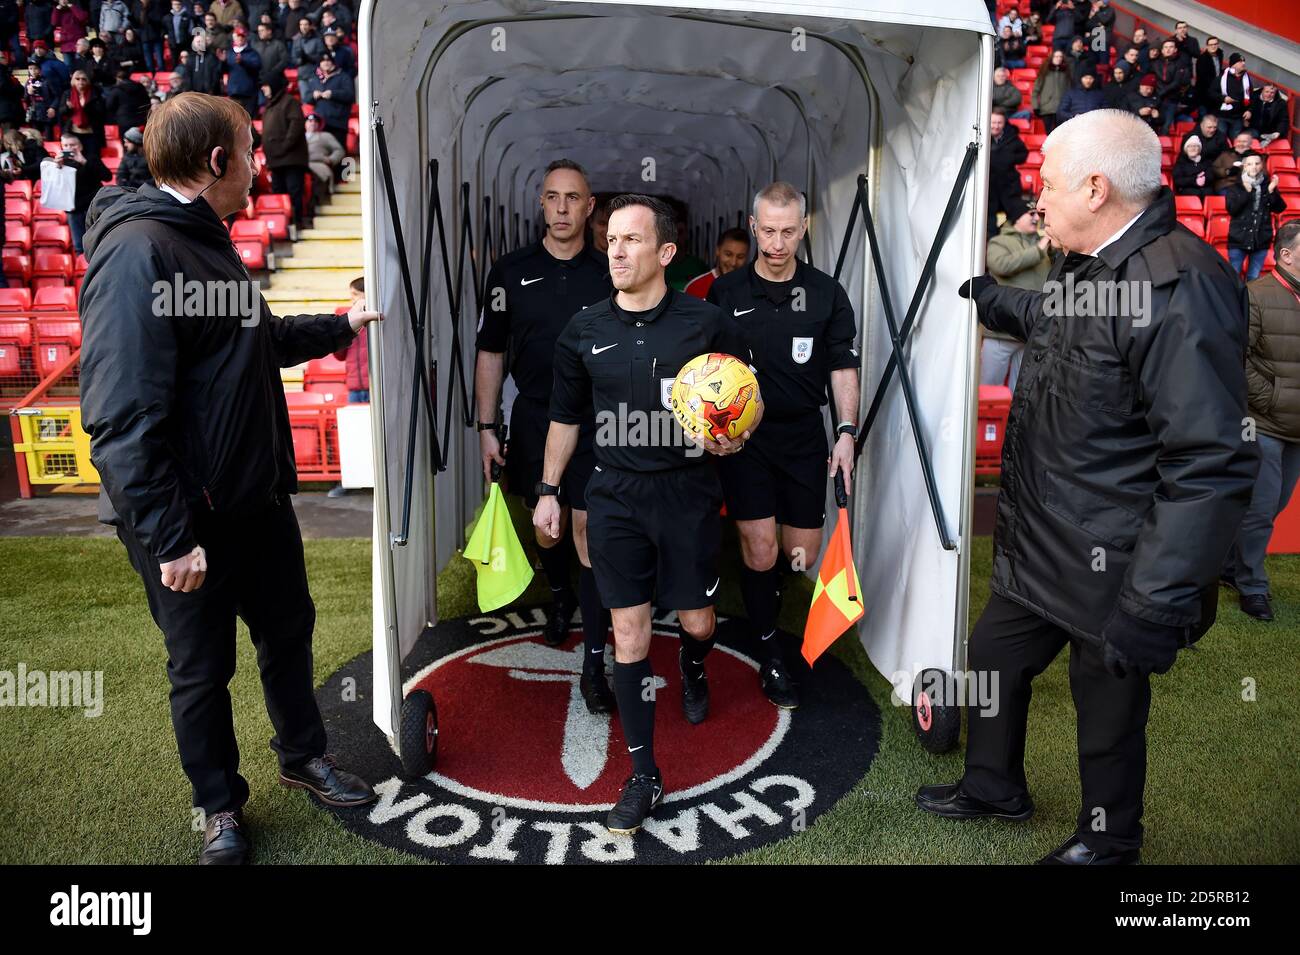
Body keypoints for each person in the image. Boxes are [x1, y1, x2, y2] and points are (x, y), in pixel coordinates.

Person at [922, 108, 1257, 865]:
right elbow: (1052, 319)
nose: (1037, 200)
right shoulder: (1093, 262)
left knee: (1105, 709)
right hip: (1043, 541)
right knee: (994, 660)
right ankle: (993, 785)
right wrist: (983, 295)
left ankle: (1108, 845)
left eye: (1048, 184)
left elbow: (1209, 462)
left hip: (1118, 558)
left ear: (1097, 188)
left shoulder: (1180, 286)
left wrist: (1158, 597)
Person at [79, 92, 383, 866]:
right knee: (201, 667)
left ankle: (302, 755)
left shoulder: (202, 236)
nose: (259, 168)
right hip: (188, 521)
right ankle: (217, 806)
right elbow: (118, 418)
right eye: (250, 153)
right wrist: (171, 536)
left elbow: (260, 340)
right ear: (219, 162)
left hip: (255, 502)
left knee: (288, 631)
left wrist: (339, 325)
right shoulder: (138, 250)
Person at [539, 193, 756, 834]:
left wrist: (737, 435)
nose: (616, 250)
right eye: (612, 240)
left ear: (664, 253)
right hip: (614, 496)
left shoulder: (705, 323)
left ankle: (693, 666)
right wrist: (550, 489)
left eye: (632, 240)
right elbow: (563, 419)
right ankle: (643, 775)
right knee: (628, 636)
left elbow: (748, 395)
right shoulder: (584, 330)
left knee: (696, 621)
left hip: (687, 493)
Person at [707, 182, 859, 709]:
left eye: (787, 231)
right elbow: (706, 370)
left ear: (803, 228)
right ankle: (771, 651)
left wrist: (845, 432)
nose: (776, 243)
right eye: (767, 231)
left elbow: (843, 365)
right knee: (760, 546)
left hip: (801, 436)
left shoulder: (826, 294)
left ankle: (767, 603)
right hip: (745, 437)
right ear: (753, 226)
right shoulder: (725, 295)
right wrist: (714, 428)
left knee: (799, 555)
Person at [474, 160, 615, 707]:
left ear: (589, 207)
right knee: (547, 528)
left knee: (589, 531)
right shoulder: (510, 272)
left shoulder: (608, 272)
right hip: (533, 416)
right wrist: (488, 426)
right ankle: (560, 595)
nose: (562, 208)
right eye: (552, 197)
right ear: (541, 203)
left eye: (573, 198)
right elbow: (491, 351)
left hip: (596, 420)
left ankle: (596, 664)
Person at [1225, 222, 1300, 621]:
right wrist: (1272, 398)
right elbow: (1239, 358)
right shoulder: (1255, 295)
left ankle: (1226, 564)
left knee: (1274, 506)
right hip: (1264, 424)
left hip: (1296, 428)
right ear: (1285, 255)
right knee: (1261, 508)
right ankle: (1252, 585)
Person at [983, 197, 1051, 391]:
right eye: (1029, 213)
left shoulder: (1044, 243)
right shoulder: (999, 241)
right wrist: (1039, 249)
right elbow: (1001, 265)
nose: (1035, 217)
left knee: (1021, 391)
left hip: (1028, 332)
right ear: (1016, 217)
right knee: (989, 389)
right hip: (1000, 332)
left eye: (1037, 213)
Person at [327, 277, 369, 499]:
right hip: (355, 386)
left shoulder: (376, 316)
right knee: (354, 436)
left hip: (374, 387)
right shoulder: (347, 317)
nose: (351, 298)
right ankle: (351, 480)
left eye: (354, 294)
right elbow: (339, 354)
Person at [1224, 155, 1284, 281]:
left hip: (1261, 239)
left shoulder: (1267, 185)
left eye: (1257, 163)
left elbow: (1279, 208)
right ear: (1244, 167)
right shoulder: (1235, 187)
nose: (1254, 167)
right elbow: (1232, 210)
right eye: (1250, 164)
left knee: (1254, 278)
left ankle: (1250, 301)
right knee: (1233, 277)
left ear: (1261, 165)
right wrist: (1246, 192)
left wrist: (1271, 191)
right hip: (1238, 238)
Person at [260, 72, 308, 225]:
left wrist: (284, 146)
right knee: (278, 196)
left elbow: (296, 127)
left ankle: (296, 224)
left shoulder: (290, 102)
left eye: (266, 86)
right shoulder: (269, 106)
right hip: (276, 161)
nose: (263, 89)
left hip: (291, 159)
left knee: (294, 193)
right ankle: (283, 226)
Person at [57, 133, 110, 254]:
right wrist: (56, 168)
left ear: (80, 146)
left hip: (93, 206)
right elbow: (55, 186)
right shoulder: (60, 163)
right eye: (65, 145)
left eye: (73, 145)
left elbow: (107, 176)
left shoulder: (91, 158)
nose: (69, 148)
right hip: (74, 208)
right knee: (79, 246)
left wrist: (84, 162)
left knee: (98, 242)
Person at [988, 111, 1028, 234]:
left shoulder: (1012, 137)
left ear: (1004, 123)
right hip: (989, 186)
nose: (996, 126)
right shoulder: (980, 137)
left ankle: (1007, 238)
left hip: (1009, 186)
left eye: (999, 123)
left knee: (1015, 216)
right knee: (988, 219)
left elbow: (1023, 154)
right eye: (993, 122)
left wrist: (1010, 158)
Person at [684, 226, 749, 299]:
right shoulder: (695, 287)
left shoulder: (753, 287)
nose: (733, 263)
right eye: (728, 254)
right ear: (717, 250)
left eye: (740, 257)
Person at [304, 54, 352, 147]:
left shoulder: (343, 77)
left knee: (338, 152)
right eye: (323, 61)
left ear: (333, 63)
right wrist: (313, 95)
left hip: (338, 123)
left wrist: (333, 94)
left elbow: (350, 95)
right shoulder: (315, 79)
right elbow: (306, 98)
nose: (325, 62)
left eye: (328, 60)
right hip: (320, 123)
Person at [59, 71, 105, 161]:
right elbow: (61, 112)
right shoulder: (67, 93)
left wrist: (87, 106)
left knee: (93, 160)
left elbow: (101, 112)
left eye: (84, 79)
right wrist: (68, 108)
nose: (81, 81)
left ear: (88, 81)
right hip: (72, 133)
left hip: (92, 134)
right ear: (73, 81)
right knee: (71, 160)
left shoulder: (95, 93)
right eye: (77, 79)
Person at [217, 26, 261, 116]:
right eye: (238, 36)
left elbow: (257, 67)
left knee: (249, 120)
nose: (240, 38)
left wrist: (243, 62)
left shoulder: (252, 53)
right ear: (234, 38)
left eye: (242, 36)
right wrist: (223, 62)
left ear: (246, 37)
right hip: (234, 92)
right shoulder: (229, 53)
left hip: (249, 93)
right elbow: (221, 71)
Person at [1152, 38, 1191, 135]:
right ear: (1162, 50)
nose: (1168, 49)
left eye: (1171, 47)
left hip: (1171, 99)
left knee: (1166, 126)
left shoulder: (1180, 63)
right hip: (1156, 98)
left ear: (1175, 49)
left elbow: (1177, 82)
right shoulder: (1156, 63)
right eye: (1165, 47)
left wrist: (1161, 92)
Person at [1031, 48, 1071, 133]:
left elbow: (1070, 92)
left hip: (1061, 110)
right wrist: (1036, 107)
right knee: (1049, 135)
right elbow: (1035, 91)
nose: (1058, 58)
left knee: (1060, 135)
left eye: (1060, 56)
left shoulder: (1066, 73)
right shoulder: (1044, 72)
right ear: (1051, 58)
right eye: (1056, 56)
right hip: (1047, 109)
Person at [1216, 53, 1254, 139]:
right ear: (1233, 64)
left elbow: (1251, 96)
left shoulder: (1247, 79)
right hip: (1222, 115)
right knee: (1221, 138)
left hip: (1238, 117)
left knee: (1236, 140)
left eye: (1244, 61)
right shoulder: (1222, 76)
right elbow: (1212, 92)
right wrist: (1223, 98)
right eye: (1240, 61)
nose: (1243, 63)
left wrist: (1249, 110)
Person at [304, 111, 343, 193]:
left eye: (315, 121)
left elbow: (339, 150)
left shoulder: (325, 136)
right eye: (310, 121)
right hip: (300, 165)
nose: (313, 123)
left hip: (318, 164)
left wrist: (331, 159)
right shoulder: (297, 136)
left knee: (321, 175)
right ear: (305, 123)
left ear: (319, 124)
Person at [103, 67, 152, 133]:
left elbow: (109, 106)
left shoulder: (116, 90)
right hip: (141, 121)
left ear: (118, 78)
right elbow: (147, 103)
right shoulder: (140, 87)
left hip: (124, 121)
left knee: (127, 142)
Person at [1211, 131, 1257, 195]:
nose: (1241, 144)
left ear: (1250, 143)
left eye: (1244, 142)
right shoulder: (1226, 154)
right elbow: (1213, 169)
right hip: (1228, 185)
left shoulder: (1256, 156)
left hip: (1249, 185)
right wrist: (1227, 171)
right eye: (1239, 141)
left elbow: (1263, 174)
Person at [1171, 135, 1212, 200]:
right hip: (1187, 188)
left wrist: (1205, 179)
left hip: (1204, 188)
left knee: (1209, 193)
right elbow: (1178, 180)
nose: (1193, 148)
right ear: (1186, 149)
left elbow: (1211, 176)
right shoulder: (1181, 162)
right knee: (1195, 194)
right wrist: (1194, 180)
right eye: (1190, 146)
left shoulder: (1205, 161)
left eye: (1196, 146)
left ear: (1199, 149)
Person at [185, 32, 224, 96]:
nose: (199, 43)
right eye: (197, 42)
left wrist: (212, 89)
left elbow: (216, 75)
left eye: (201, 41)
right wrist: (190, 90)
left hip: (210, 93)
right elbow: (187, 75)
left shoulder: (212, 57)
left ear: (205, 43)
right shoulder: (190, 58)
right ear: (194, 44)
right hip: (195, 94)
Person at [251, 18, 288, 82]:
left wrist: (273, 72)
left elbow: (284, 61)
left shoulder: (278, 44)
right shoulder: (255, 46)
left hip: (276, 79)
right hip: (258, 78)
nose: (260, 33)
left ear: (269, 31)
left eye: (262, 30)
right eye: (259, 31)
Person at [1195, 36, 1224, 114]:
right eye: (1211, 45)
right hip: (1204, 92)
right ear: (1207, 46)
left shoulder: (1220, 54)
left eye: (1215, 44)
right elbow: (1203, 78)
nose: (1213, 46)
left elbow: (1218, 70)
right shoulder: (1202, 59)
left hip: (1216, 91)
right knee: (1203, 116)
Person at [1255, 84, 1290, 149]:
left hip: (1270, 131)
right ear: (1262, 91)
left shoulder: (1280, 104)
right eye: (1267, 92)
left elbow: (1283, 119)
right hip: (1253, 129)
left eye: (1272, 93)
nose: (1269, 94)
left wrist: (1278, 132)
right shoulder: (1254, 97)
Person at [1083, 0, 1113, 65]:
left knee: (1103, 62)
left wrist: (1097, 13)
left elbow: (1105, 20)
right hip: (1094, 39)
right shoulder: (1097, 12)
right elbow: (1088, 24)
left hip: (1103, 40)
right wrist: (1098, 25)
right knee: (1092, 61)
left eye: (1098, 1)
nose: (1096, 3)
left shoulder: (1110, 10)